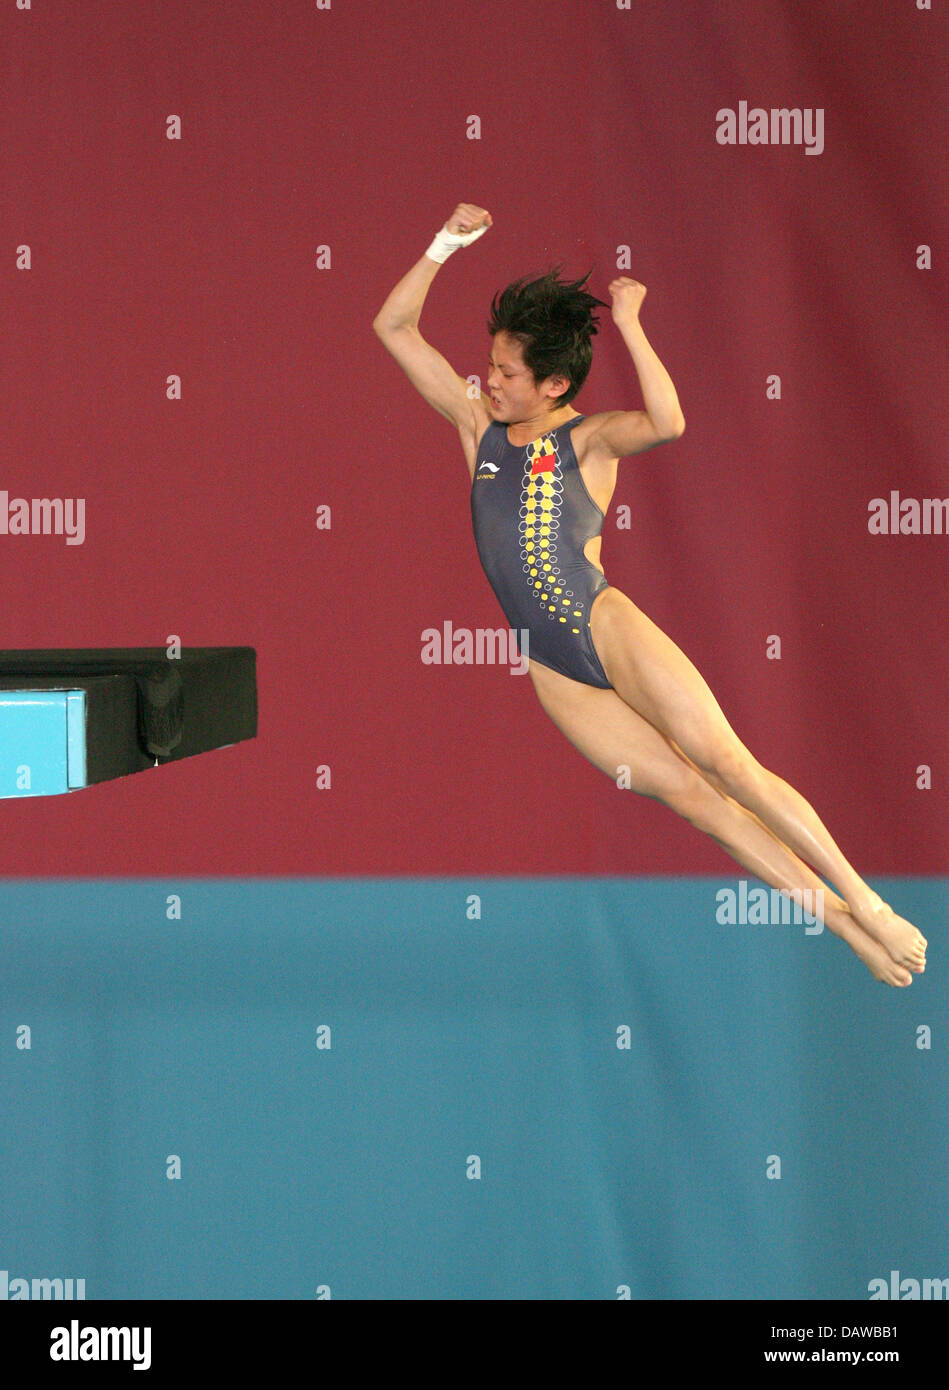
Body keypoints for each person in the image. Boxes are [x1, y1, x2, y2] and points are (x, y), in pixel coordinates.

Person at [372, 203, 928, 987]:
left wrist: (630, 323)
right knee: (697, 804)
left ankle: (866, 899)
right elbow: (393, 328)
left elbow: (667, 422)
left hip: (604, 627)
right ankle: (847, 932)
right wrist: (443, 244)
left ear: (554, 384)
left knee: (726, 765)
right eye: (489, 367)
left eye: (505, 375)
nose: (486, 381)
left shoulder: (587, 439)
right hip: (556, 670)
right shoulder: (478, 430)